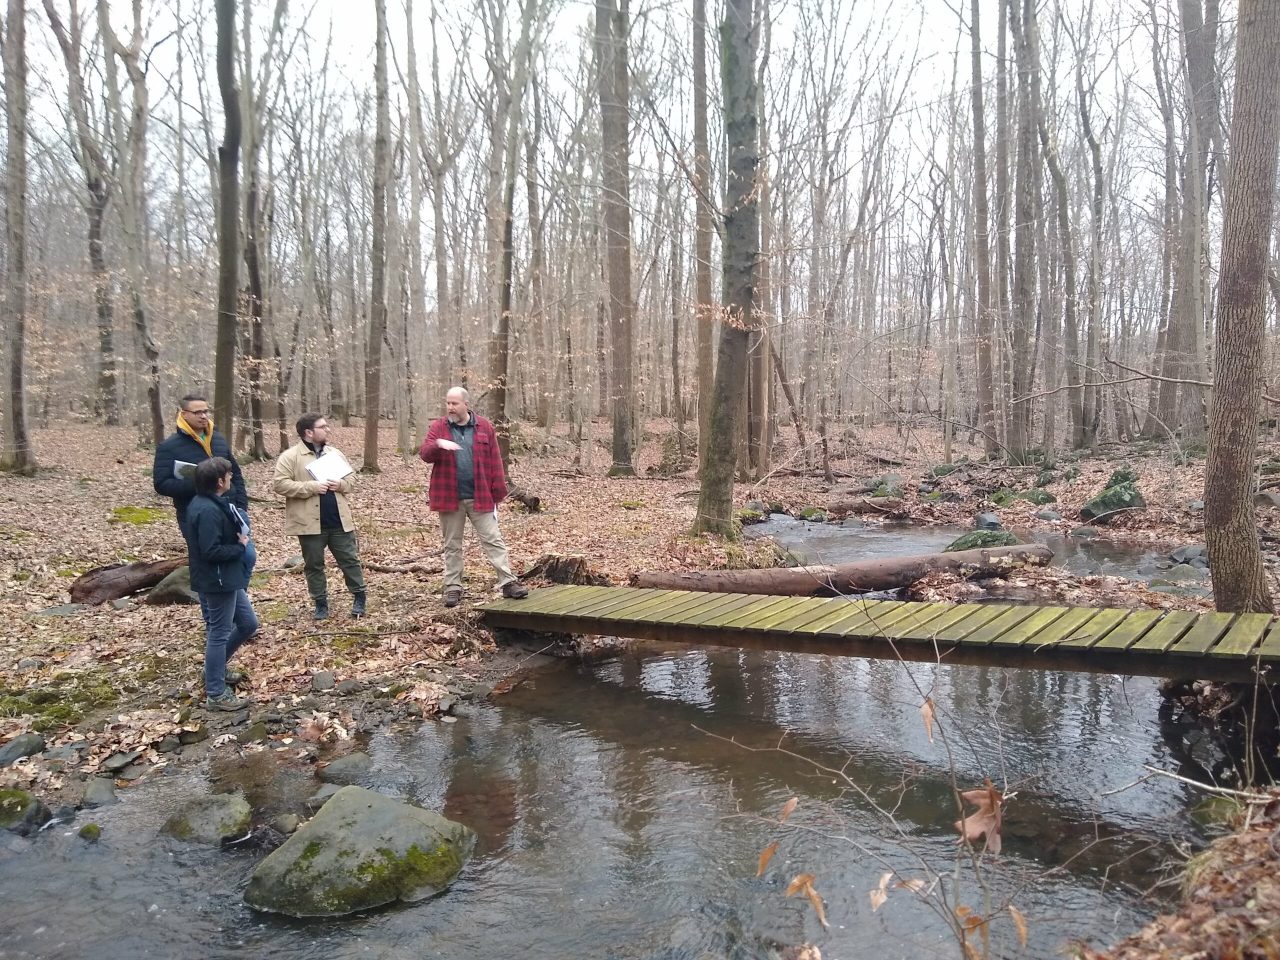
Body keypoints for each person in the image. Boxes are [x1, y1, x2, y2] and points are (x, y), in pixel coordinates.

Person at [419, 386, 528, 608]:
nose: (450, 407)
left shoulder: (484, 426)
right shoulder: (439, 427)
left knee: (493, 539)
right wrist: (439, 444)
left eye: (454, 403)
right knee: (452, 544)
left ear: (466, 404)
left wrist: (498, 493)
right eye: (448, 403)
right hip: (449, 497)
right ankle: (453, 587)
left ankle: (508, 582)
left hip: (480, 495)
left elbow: (495, 461)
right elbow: (425, 454)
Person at [273, 413, 367, 620]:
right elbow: (279, 484)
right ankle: (320, 603)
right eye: (323, 427)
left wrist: (341, 484)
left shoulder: (334, 454)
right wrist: (311, 487)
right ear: (309, 432)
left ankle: (360, 597)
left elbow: (351, 479)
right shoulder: (290, 457)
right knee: (314, 565)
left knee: (350, 561)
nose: (328, 429)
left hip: (339, 520)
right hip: (309, 524)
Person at [187, 458, 260, 712]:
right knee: (219, 632)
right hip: (217, 579)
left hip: (227, 577)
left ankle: (213, 670)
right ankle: (216, 693)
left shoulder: (214, 503)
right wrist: (239, 546)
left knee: (249, 624)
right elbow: (210, 551)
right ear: (219, 482)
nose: (232, 478)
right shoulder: (206, 509)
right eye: (229, 475)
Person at [153, 394, 248, 537]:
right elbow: (161, 484)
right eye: (197, 412)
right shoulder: (168, 446)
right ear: (184, 414)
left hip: (230, 509)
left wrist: (241, 506)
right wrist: (200, 483)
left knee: (244, 555)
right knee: (205, 557)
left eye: (205, 411)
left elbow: (236, 474)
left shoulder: (218, 439)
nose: (203, 416)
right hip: (195, 514)